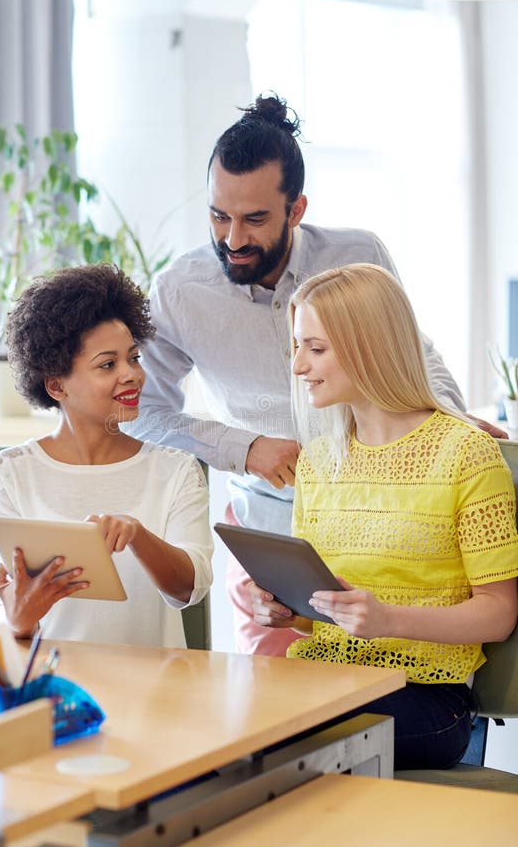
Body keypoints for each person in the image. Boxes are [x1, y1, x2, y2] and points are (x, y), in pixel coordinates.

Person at [129, 92, 501, 656]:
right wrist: (244, 446)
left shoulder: (356, 253)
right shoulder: (180, 291)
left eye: (254, 219)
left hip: (387, 522)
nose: (232, 239)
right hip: (275, 530)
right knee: (277, 710)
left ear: (296, 210)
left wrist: (447, 423)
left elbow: (411, 352)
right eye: (218, 215)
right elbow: (141, 413)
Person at [249, 263, 518, 769]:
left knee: (269, 741)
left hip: (426, 697)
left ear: (369, 345)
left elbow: (499, 615)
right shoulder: (319, 461)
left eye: (316, 348)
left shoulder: (465, 455)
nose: (298, 366)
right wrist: (291, 611)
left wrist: (389, 619)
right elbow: (328, 613)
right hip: (323, 680)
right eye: (297, 347)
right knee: (224, 719)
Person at [0, 263, 213, 647]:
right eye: (108, 364)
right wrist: (19, 620)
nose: (132, 375)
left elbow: (190, 590)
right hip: (52, 690)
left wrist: (137, 534)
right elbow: (1, 611)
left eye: (133, 358)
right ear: (56, 386)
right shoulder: (7, 474)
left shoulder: (177, 471)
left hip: (157, 695)